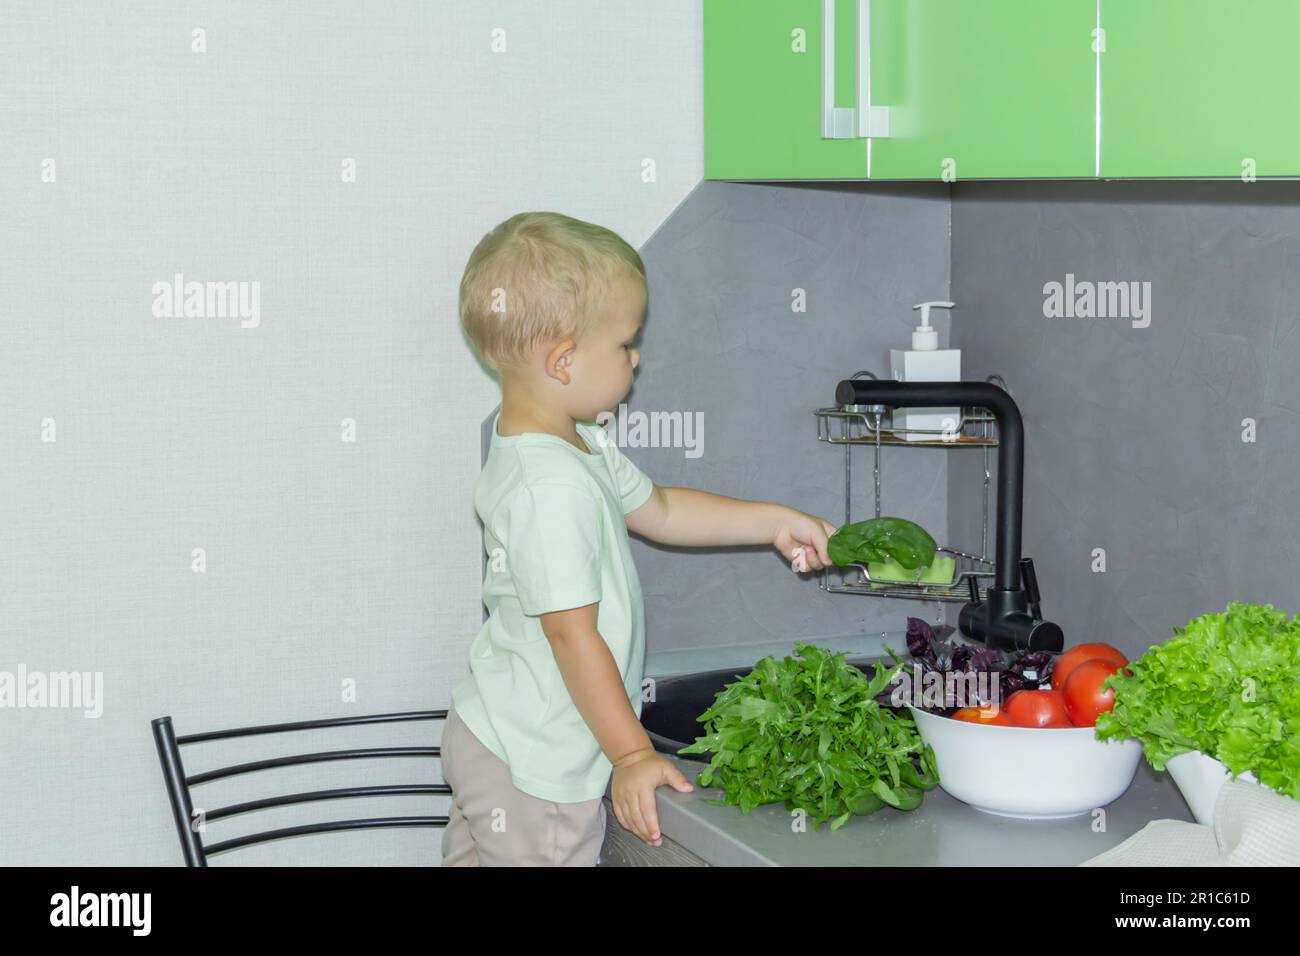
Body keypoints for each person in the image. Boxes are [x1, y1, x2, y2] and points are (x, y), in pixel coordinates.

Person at [441, 211, 836, 865]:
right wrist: (631, 754)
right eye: (626, 343)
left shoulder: (576, 446)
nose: (637, 356)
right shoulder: (549, 487)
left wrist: (772, 520)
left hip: (499, 734)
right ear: (563, 360)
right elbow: (572, 635)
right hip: (535, 764)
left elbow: (663, 510)